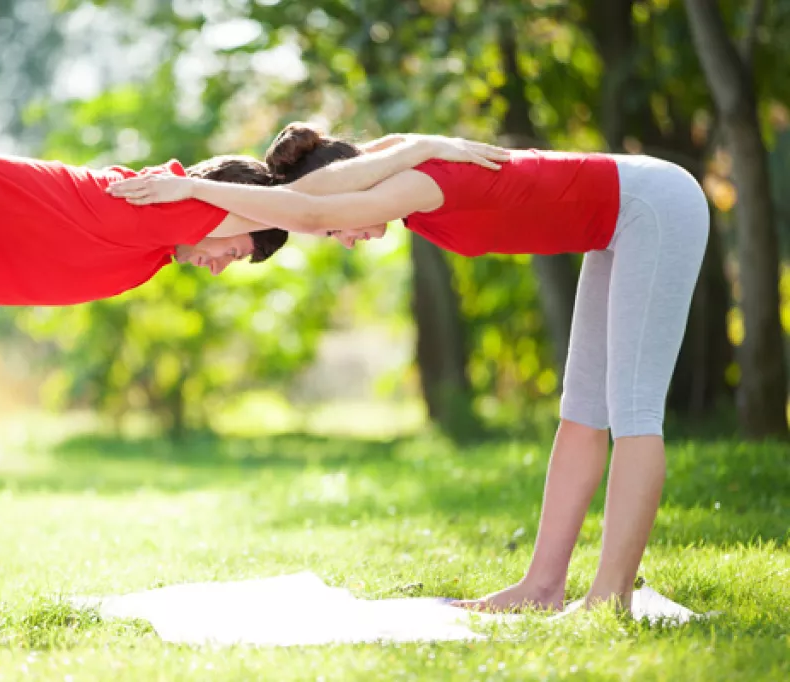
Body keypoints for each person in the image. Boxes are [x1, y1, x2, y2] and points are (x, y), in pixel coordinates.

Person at [0, 136, 508, 630]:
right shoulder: (179, 203)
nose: (218, 264)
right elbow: (319, 194)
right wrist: (421, 149)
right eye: (234, 251)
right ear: (233, 212)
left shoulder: (153, 227)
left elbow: (310, 191)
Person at [109, 123, 710, 613]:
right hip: (615, 222)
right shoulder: (396, 163)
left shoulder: (415, 185)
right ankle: (543, 588)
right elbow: (327, 187)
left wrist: (196, 192)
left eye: (346, 219)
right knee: (582, 411)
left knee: (632, 409)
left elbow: (310, 210)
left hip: (652, 207)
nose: (346, 237)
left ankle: (611, 599)